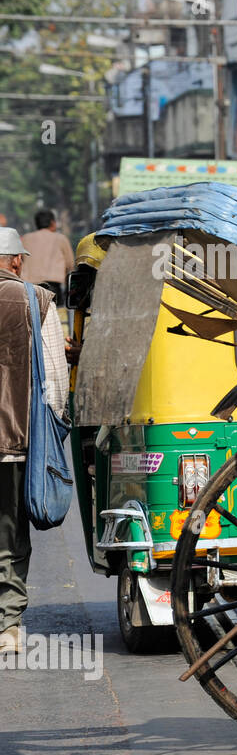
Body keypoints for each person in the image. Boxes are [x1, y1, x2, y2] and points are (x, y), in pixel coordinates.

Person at [0, 227, 69, 654]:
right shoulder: (36, 301)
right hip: (15, 440)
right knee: (9, 531)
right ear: (16, 261)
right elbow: (56, 381)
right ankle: (7, 625)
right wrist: (56, 426)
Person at [20, 209, 75, 307]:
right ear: (52, 223)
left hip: (29, 288)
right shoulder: (61, 239)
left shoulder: (25, 239)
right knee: (53, 317)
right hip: (53, 288)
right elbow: (70, 265)